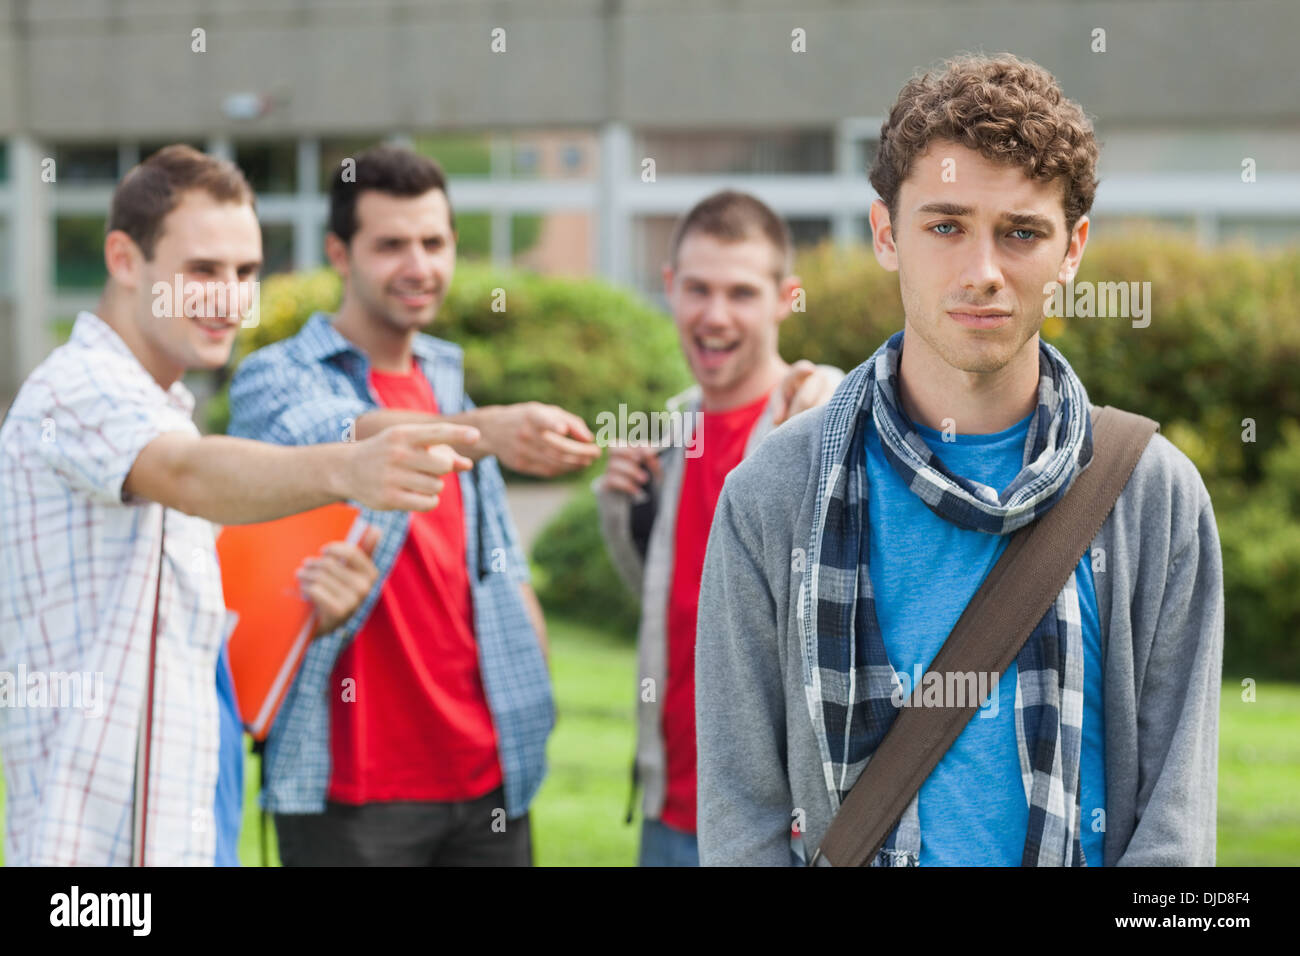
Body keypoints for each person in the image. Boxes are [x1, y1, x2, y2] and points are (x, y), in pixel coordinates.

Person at [695, 53, 1224, 866]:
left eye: (1021, 233)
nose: (983, 273)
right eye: (945, 226)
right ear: (886, 235)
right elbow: (742, 817)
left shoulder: (1153, 496)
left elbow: (1173, 829)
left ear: (1072, 249)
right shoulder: (773, 494)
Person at [0, 145, 474, 866]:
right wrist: (349, 465)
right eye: (202, 271)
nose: (230, 297)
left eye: (245, 272)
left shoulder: (159, 407)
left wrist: (312, 615)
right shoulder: (79, 388)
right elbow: (189, 471)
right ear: (125, 261)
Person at [227, 145, 601, 866]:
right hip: (351, 791)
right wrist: (485, 431)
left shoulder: (445, 377)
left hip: (488, 775)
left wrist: (534, 670)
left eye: (433, 242)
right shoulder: (278, 377)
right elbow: (321, 433)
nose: (417, 265)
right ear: (340, 253)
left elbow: (494, 561)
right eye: (390, 244)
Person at [595, 190, 843, 866]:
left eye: (740, 292)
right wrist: (622, 513)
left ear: (784, 298)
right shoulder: (665, 447)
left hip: (783, 823)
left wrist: (830, 389)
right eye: (697, 289)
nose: (714, 315)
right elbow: (671, 612)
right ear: (670, 289)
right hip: (671, 811)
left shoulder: (815, 424)